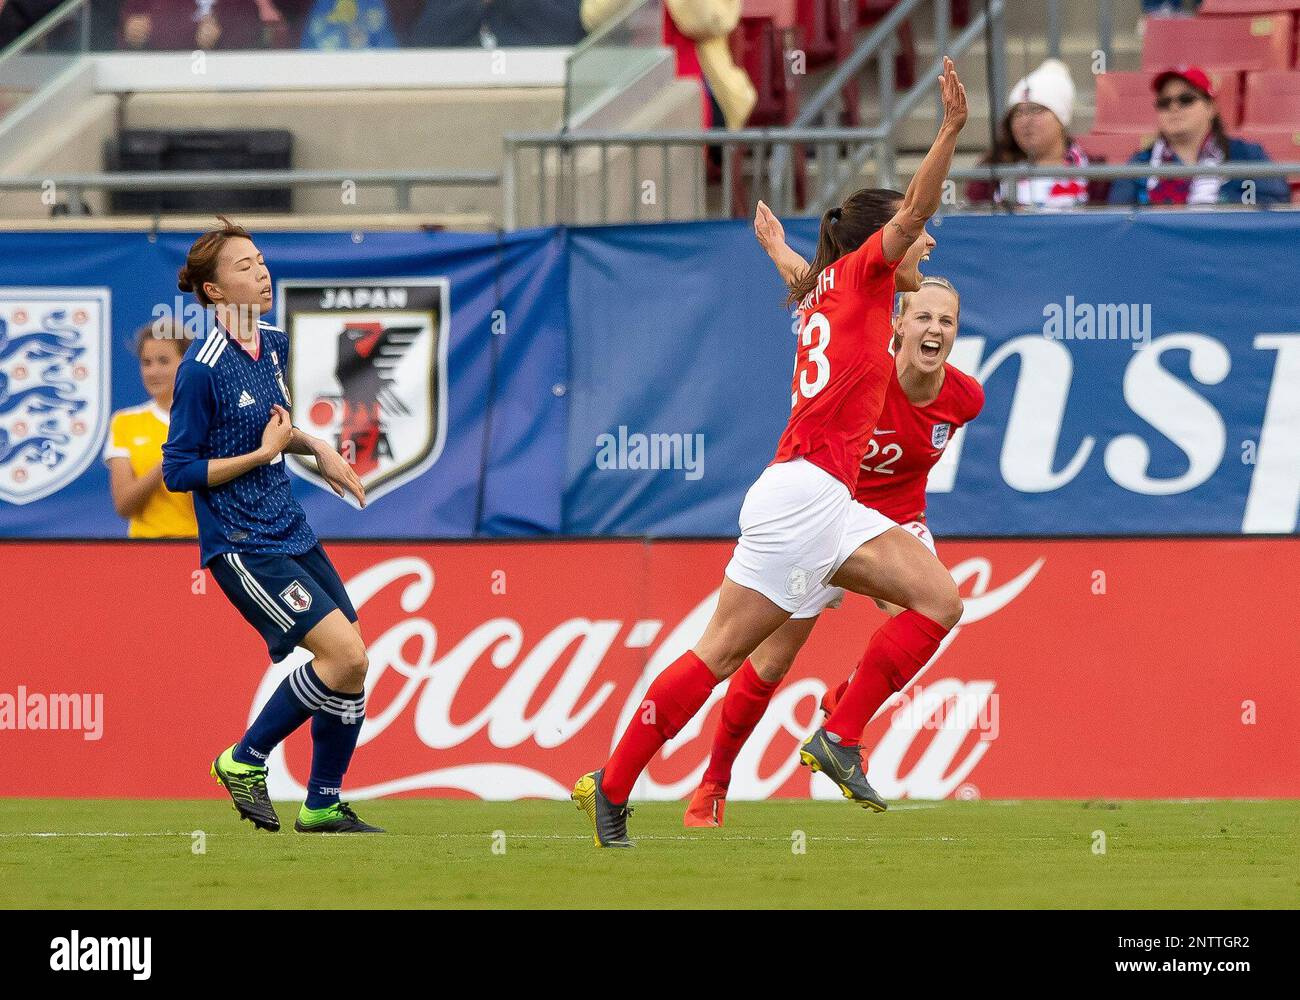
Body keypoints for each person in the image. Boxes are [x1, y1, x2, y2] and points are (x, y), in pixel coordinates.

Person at [572, 57, 969, 848]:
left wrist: (776, 250)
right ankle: (615, 785)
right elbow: (918, 202)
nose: (927, 235)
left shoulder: (829, 288)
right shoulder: (864, 274)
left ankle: (838, 735)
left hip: (824, 500)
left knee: (940, 601)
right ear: (880, 242)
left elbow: (804, 275)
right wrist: (950, 127)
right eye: (912, 230)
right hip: (804, 499)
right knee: (720, 655)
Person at [685, 211, 983, 826]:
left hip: (895, 521)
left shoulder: (965, 398)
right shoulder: (863, 366)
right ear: (898, 325)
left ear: (956, 335)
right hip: (826, 510)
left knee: (932, 610)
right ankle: (712, 785)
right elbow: (816, 284)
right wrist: (777, 249)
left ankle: (843, 719)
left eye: (946, 321)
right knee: (768, 662)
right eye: (922, 316)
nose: (934, 329)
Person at [162, 216, 381, 834]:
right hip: (242, 545)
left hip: (290, 527)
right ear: (212, 292)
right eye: (243, 266)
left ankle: (322, 803)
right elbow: (179, 471)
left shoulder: (274, 342)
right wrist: (261, 456)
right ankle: (244, 758)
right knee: (341, 655)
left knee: (354, 663)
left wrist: (318, 449)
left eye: (259, 260)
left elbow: (277, 425)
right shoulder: (202, 368)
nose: (260, 271)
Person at [1108, 66, 1288, 207]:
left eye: (1186, 100)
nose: (1174, 108)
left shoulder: (1248, 156)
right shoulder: (1140, 164)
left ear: (1211, 108)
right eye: (1164, 102)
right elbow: (1119, 222)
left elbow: (1273, 208)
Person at [104, 322, 198, 539]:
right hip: (145, 550)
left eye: (164, 361)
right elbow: (124, 505)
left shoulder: (211, 419)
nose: (153, 371)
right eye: (147, 363)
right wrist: (169, 461)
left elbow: (217, 508)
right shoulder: (125, 422)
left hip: (199, 548)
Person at [966, 59, 1098, 210]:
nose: (1025, 121)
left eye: (1035, 110)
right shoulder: (990, 173)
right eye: (1018, 113)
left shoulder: (1096, 176)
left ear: (1061, 119)